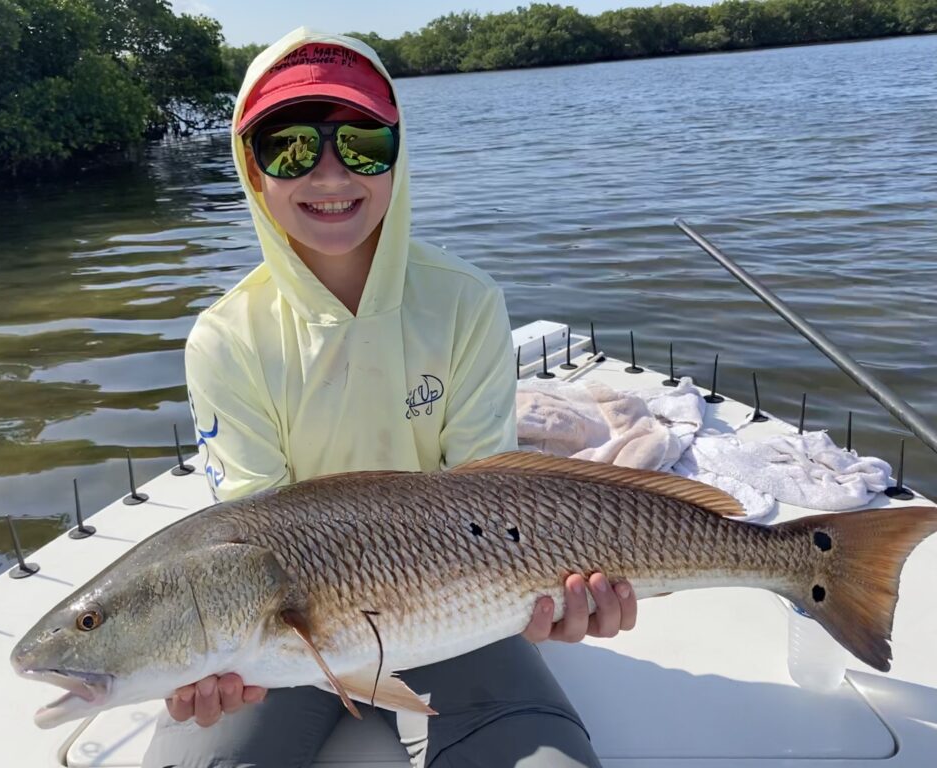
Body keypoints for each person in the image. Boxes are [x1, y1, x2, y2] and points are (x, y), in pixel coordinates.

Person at [142, 27, 637, 768]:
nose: (333, 175)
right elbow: (248, 541)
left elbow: (498, 501)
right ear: (252, 166)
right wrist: (204, 662)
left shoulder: (465, 302)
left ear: (398, 152)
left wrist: (564, 590)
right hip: (281, 642)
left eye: (364, 142)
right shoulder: (225, 340)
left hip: (454, 613)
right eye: (292, 147)